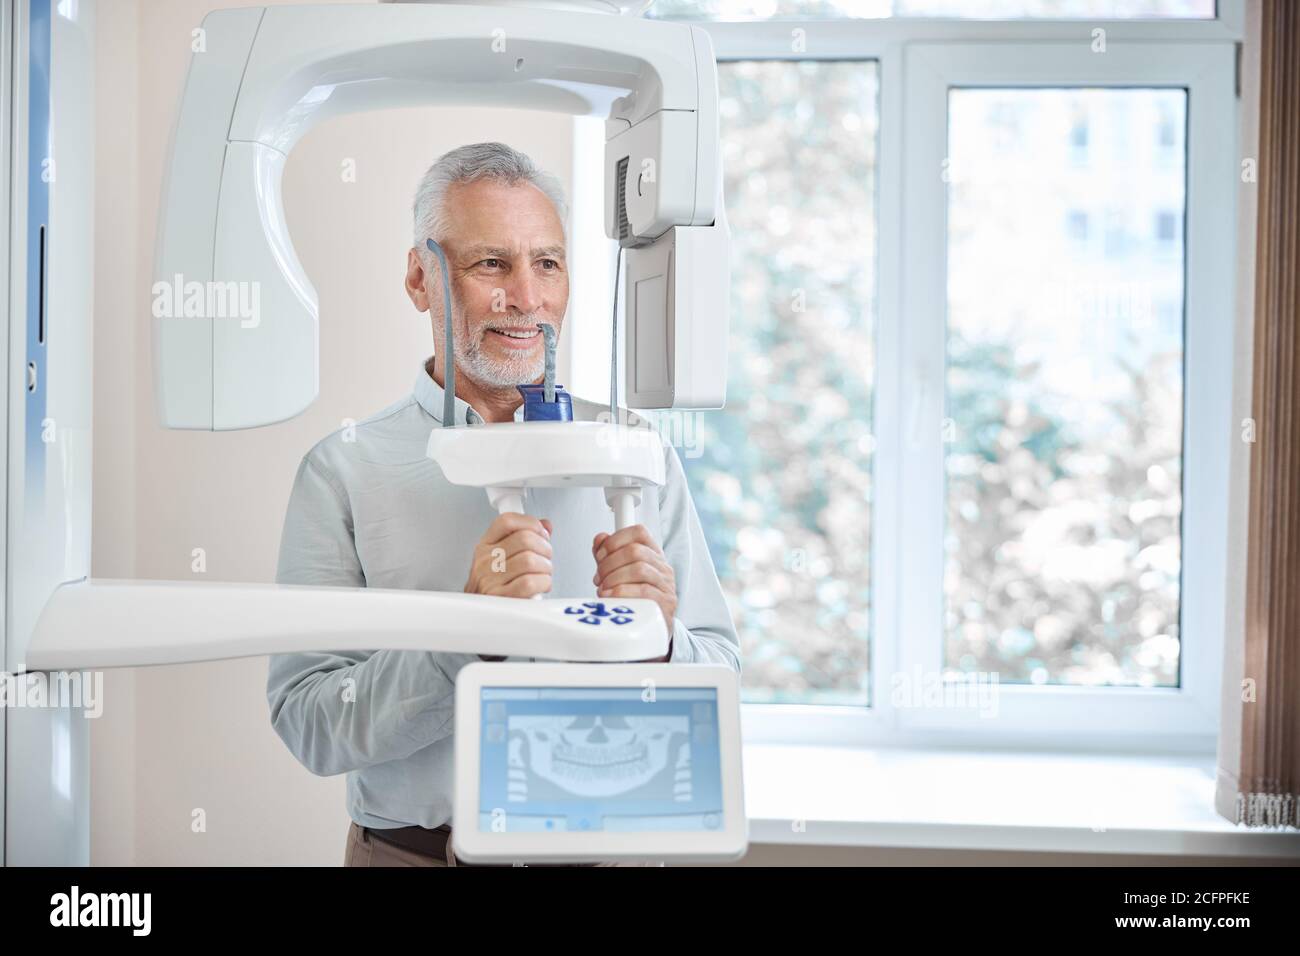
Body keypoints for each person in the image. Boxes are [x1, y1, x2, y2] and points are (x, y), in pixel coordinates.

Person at [266, 142, 740, 867]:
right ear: (421, 278)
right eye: (492, 263)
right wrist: (465, 640)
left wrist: (664, 642)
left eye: (546, 262)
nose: (526, 297)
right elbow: (309, 723)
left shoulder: (632, 455)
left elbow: (720, 675)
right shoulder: (345, 469)